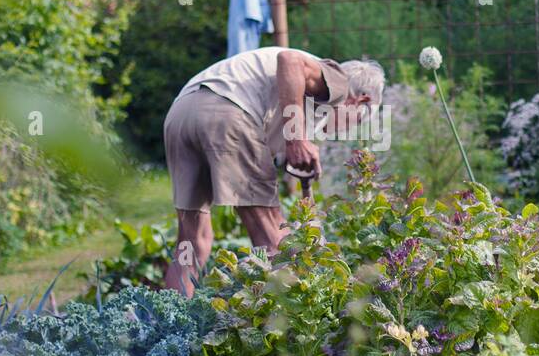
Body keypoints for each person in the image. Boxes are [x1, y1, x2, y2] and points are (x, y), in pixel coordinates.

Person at [162, 47, 384, 294]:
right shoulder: (339, 81)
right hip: (228, 110)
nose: (348, 130)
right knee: (274, 242)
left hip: (182, 113)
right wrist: (296, 138)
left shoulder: (300, 100)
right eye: (359, 121)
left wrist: (294, 147)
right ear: (361, 101)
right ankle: (285, 326)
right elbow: (288, 60)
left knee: (192, 242)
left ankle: (170, 320)